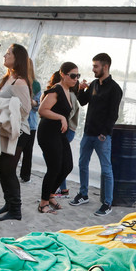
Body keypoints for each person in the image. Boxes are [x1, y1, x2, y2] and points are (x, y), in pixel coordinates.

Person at [70, 52, 123, 216]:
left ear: (105, 67)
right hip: (87, 133)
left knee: (106, 170)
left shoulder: (115, 89)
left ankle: (107, 203)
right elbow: (84, 101)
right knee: (82, 164)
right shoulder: (94, 84)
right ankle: (83, 194)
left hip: (102, 136)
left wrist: (104, 133)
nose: (93, 69)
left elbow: (113, 115)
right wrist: (80, 89)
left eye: (95, 66)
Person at [0, 43, 34, 222]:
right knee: (2, 169)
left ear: (17, 58)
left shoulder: (20, 81)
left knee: (8, 170)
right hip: (5, 130)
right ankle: (8, 203)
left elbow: (25, 109)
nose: (4, 56)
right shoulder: (9, 78)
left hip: (18, 132)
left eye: (8, 53)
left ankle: (16, 210)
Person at [36, 61, 79, 214]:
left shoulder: (68, 90)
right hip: (48, 132)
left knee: (67, 166)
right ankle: (43, 203)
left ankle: (50, 194)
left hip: (59, 134)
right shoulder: (57, 90)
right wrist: (61, 117)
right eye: (73, 76)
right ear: (63, 74)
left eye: (77, 76)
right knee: (54, 167)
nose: (76, 79)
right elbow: (42, 110)